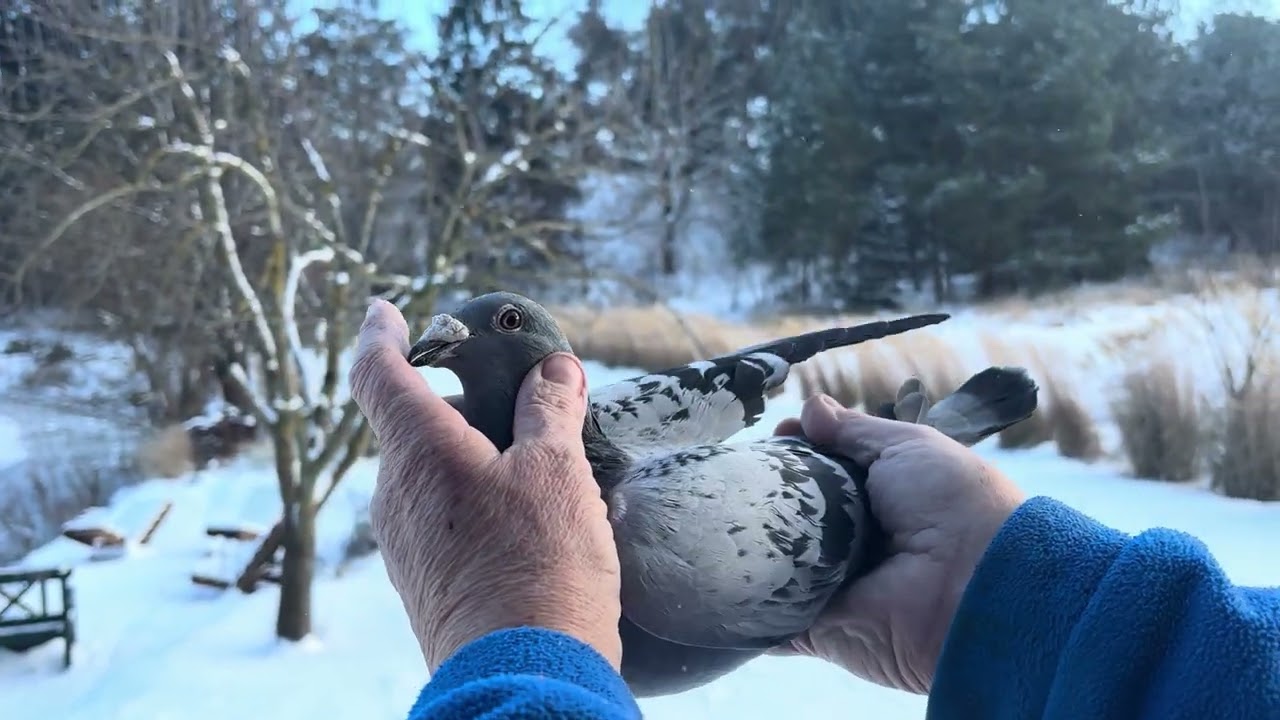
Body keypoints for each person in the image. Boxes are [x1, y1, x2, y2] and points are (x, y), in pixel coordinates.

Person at [350, 300, 1280, 720]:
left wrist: (514, 626)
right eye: (458, 330)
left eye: (502, 324)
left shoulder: (658, 545)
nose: (462, 338)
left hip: (793, 510)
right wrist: (992, 588)